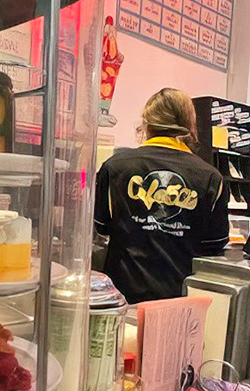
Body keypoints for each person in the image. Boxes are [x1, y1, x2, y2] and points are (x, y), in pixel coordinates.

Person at [94, 88, 229, 305]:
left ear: (146, 123)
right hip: (180, 302)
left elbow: (101, 229)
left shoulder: (115, 167)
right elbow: (213, 248)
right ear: (190, 126)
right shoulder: (210, 178)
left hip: (122, 300)